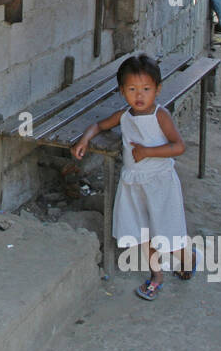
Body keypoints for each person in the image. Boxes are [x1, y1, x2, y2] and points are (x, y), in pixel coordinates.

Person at [71, 54, 192, 300]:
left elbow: (179, 146)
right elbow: (99, 126)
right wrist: (84, 139)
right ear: (122, 91)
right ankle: (156, 275)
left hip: (160, 184)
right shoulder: (124, 116)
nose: (139, 95)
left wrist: (148, 152)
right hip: (133, 183)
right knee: (143, 232)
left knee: (167, 231)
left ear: (157, 90)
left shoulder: (160, 115)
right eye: (132, 89)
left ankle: (186, 258)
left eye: (146, 89)